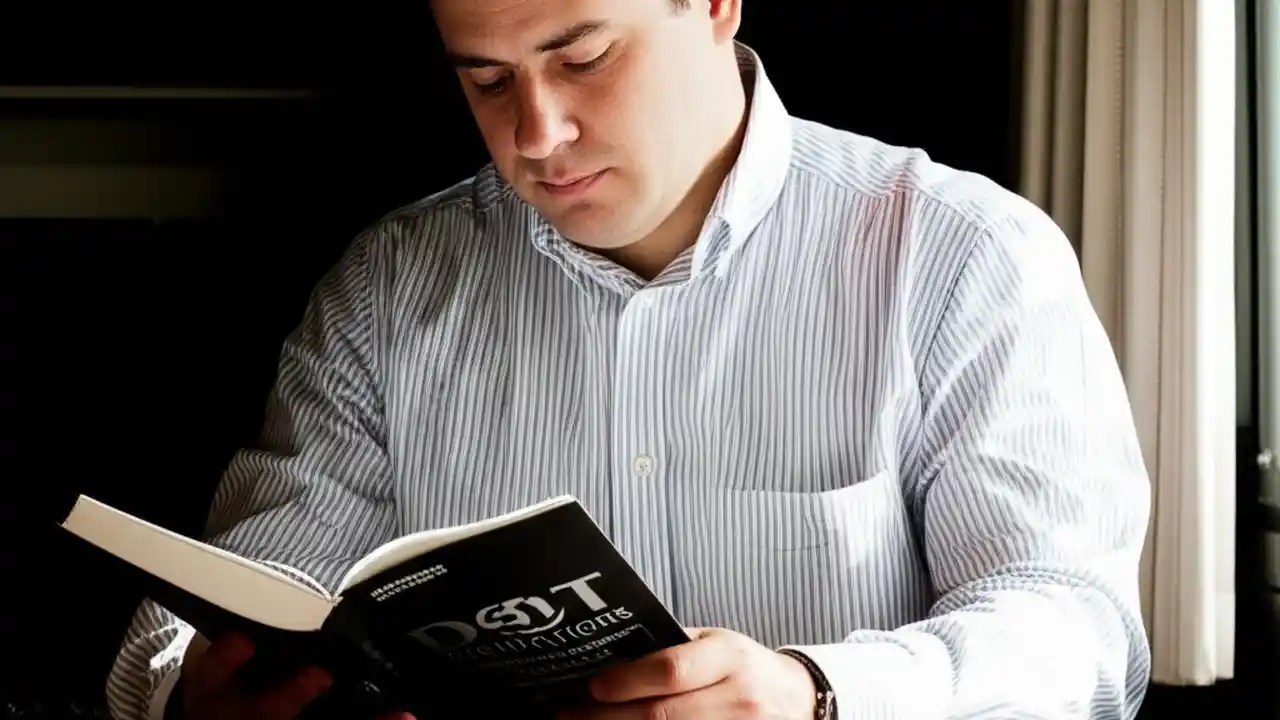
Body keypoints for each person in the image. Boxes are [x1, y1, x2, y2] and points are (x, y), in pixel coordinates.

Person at [105, 0, 1154, 718]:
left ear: (712, 3)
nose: (535, 133)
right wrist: (193, 687)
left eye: (582, 58)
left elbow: (1073, 631)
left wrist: (817, 691)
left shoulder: (960, 255)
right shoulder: (386, 292)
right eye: (485, 79)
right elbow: (247, 592)